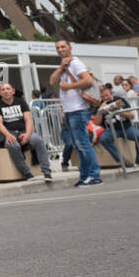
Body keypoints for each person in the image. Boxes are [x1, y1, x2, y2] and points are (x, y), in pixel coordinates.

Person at [49, 39, 100, 186]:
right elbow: (52, 81)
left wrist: (69, 86)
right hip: (70, 110)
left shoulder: (76, 63)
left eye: (63, 46)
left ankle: (94, 175)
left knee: (83, 144)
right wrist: (61, 67)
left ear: (70, 48)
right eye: (57, 47)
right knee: (78, 145)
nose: (60, 49)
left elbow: (88, 81)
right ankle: (85, 176)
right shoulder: (65, 66)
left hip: (78, 109)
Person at [0, 83, 51, 182]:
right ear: (0, 93)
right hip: (9, 133)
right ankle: (27, 173)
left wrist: (27, 134)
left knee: (38, 140)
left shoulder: (21, 102)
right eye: (3, 89)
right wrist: (7, 135)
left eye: (8, 89)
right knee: (13, 146)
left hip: (23, 131)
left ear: (13, 91)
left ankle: (47, 172)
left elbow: (28, 120)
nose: (6, 91)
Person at [95, 84, 139, 169]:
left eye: (107, 95)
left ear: (110, 93)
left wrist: (119, 112)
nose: (105, 98)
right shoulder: (101, 104)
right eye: (103, 96)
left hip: (126, 127)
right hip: (112, 129)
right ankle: (122, 160)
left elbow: (132, 115)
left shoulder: (119, 100)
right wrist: (100, 110)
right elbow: (97, 122)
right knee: (104, 139)